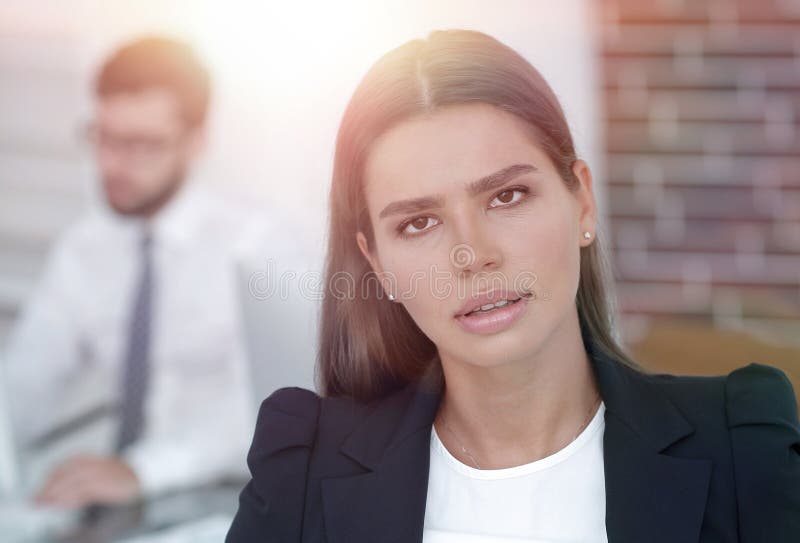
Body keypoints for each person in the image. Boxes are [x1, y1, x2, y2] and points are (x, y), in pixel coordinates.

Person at [225, 29, 800, 542]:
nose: (473, 254)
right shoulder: (302, 471)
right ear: (377, 265)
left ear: (582, 201)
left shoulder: (742, 448)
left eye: (507, 196)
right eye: (418, 222)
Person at [2, 36, 258, 509]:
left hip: (232, 495)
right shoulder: (85, 249)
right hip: (129, 502)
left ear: (197, 141)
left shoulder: (256, 246)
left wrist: (144, 470)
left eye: (142, 144)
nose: (113, 163)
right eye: (103, 136)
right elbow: (24, 383)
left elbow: (278, 403)